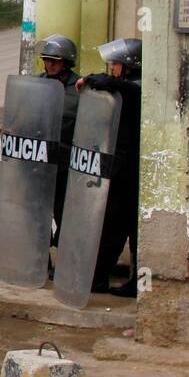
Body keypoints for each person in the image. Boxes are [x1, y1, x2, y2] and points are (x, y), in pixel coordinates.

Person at [76, 38, 141, 297]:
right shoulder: (126, 86)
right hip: (121, 167)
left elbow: (109, 82)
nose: (112, 68)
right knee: (115, 226)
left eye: (115, 64)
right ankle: (100, 277)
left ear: (128, 66)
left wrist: (90, 78)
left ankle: (127, 282)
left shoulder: (134, 89)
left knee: (121, 226)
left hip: (130, 171)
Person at [37, 34, 81, 247]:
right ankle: (39, 259)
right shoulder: (36, 84)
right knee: (36, 212)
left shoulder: (81, 90)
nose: (50, 65)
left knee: (65, 212)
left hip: (66, 164)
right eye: (46, 60)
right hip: (39, 161)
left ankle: (65, 257)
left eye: (55, 61)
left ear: (67, 62)